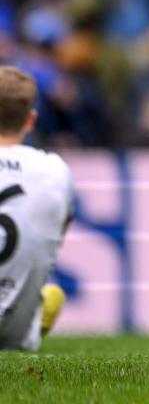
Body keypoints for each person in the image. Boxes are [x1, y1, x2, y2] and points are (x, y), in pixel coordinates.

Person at [0, 66, 74, 353]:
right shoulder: (55, 170)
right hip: (15, 335)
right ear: (30, 121)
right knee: (50, 292)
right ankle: (27, 316)